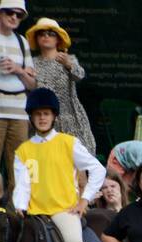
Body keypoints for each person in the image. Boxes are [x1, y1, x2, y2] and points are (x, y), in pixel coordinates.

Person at [12, 87, 105, 242]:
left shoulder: (68, 143)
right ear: (31, 117)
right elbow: (22, 184)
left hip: (64, 211)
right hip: (34, 213)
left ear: (54, 116)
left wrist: (85, 200)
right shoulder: (23, 150)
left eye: (46, 113)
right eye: (37, 114)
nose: (42, 117)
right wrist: (19, 206)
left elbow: (97, 169)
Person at [0, 3, 36, 188]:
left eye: (19, 15)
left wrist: (18, 70)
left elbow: (32, 84)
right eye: (10, 12)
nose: (14, 17)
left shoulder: (22, 42)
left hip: (19, 115)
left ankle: (16, 215)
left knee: (19, 169)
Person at [26, 17, 93, 154]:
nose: (46, 36)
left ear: (58, 39)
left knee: (75, 157)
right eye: (42, 33)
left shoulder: (68, 59)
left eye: (51, 34)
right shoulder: (31, 62)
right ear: (37, 39)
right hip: (43, 118)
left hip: (69, 117)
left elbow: (80, 75)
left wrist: (69, 64)